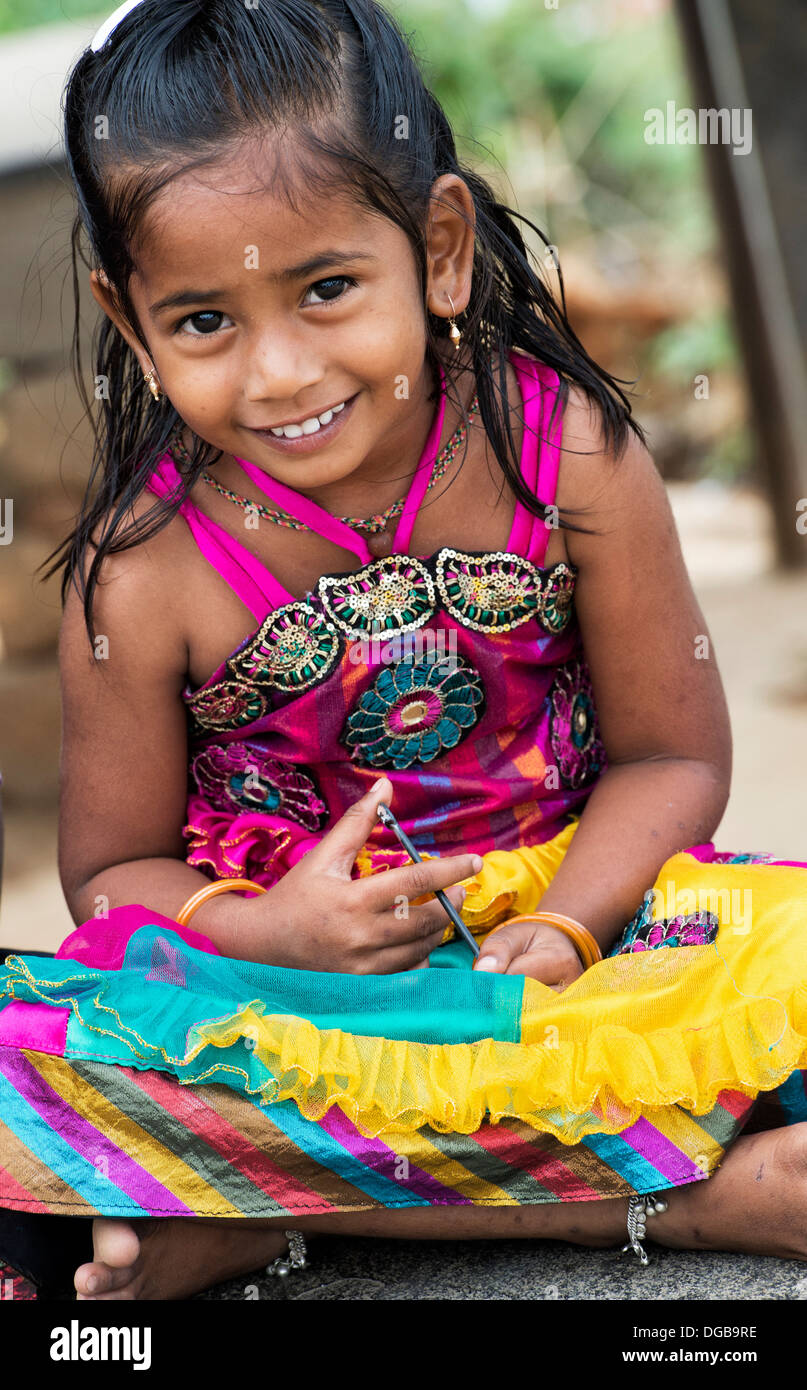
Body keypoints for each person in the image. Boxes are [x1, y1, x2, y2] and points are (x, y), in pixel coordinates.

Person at [1, 0, 807, 1303]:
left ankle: (270, 1217)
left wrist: (560, 924)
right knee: (23, 1063)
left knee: (788, 959)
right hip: (297, 997)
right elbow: (108, 870)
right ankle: (689, 1195)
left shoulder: (571, 460)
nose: (277, 371)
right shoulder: (144, 576)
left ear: (437, 249)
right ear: (128, 315)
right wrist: (275, 930)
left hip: (577, 946)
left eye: (326, 290)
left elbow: (670, 758)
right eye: (204, 320)